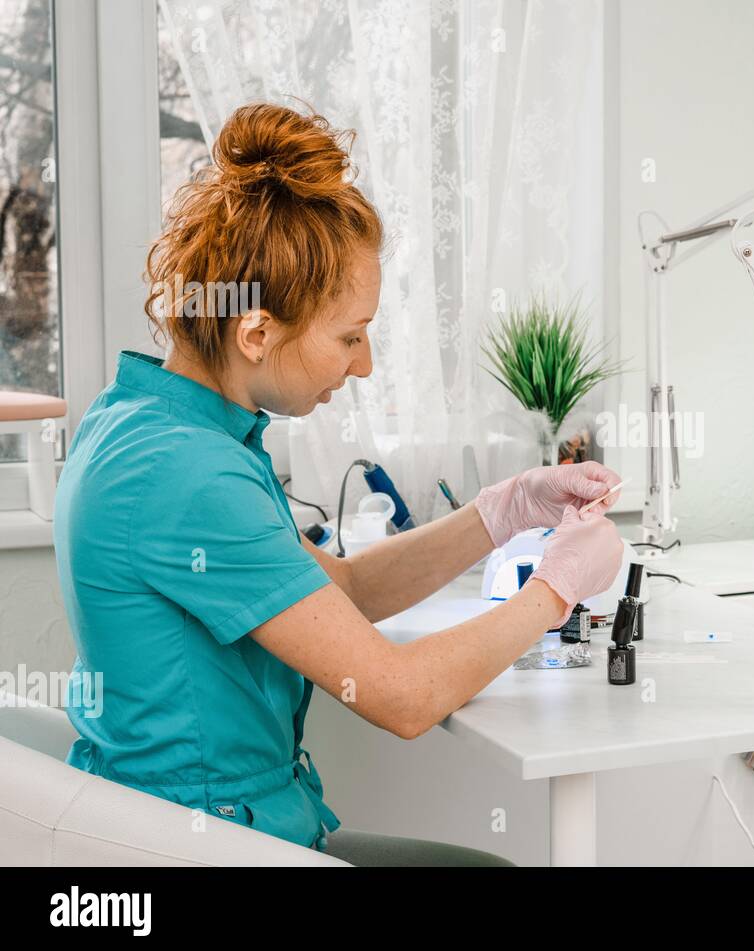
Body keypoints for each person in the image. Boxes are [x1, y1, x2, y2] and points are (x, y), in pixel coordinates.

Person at [51, 102, 625, 866]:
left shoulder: (152, 423)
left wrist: (505, 511)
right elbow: (402, 696)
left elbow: (342, 592)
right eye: (350, 337)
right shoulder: (189, 474)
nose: (364, 366)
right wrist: (556, 589)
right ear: (256, 333)